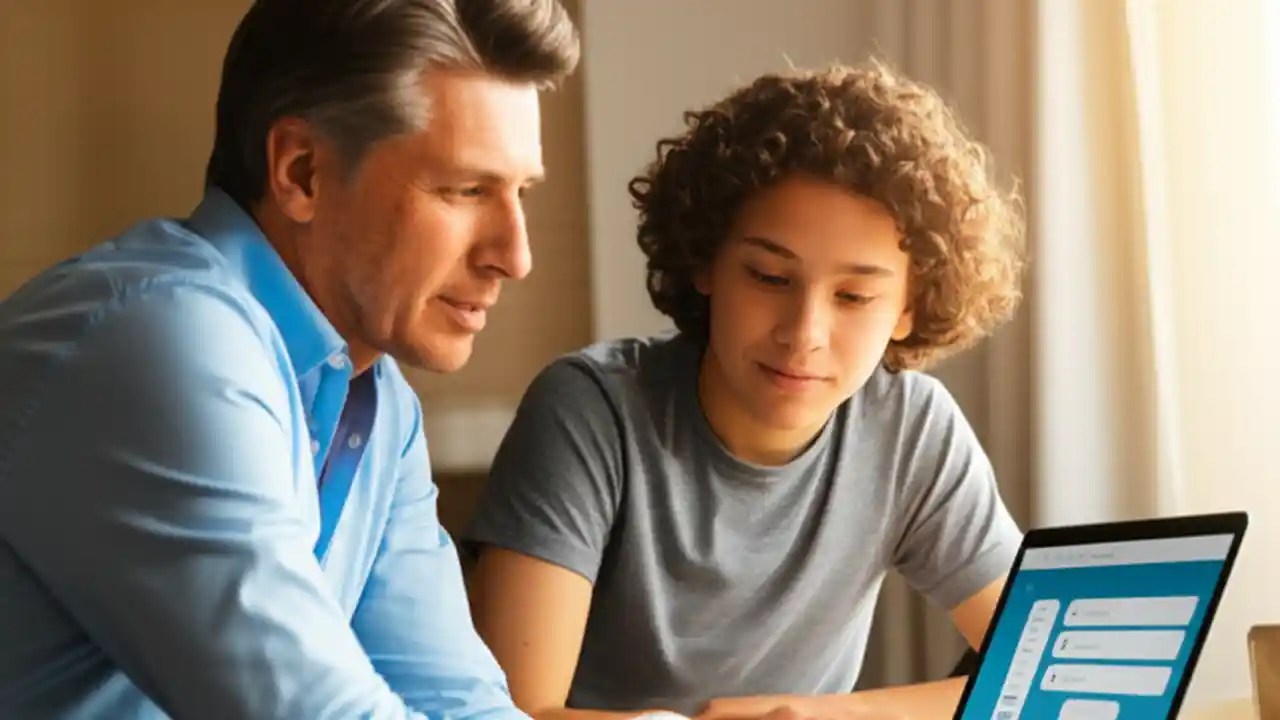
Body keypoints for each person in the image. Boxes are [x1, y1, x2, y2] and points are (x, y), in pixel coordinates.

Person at [0, 1, 578, 718]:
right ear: (301, 172)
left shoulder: (376, 396)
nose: (515, 256)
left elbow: (460, 703)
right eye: (465, 190)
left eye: (521, 193)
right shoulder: (159, 339)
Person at [464, 60, 1027, 720]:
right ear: (705, 261)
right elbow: (510, 712)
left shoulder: (910, 429)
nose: (804, 333)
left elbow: (1036, 672)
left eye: (854, 296)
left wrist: (807, 716)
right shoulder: (590, 411)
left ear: (909, 307)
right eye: (768, 277)